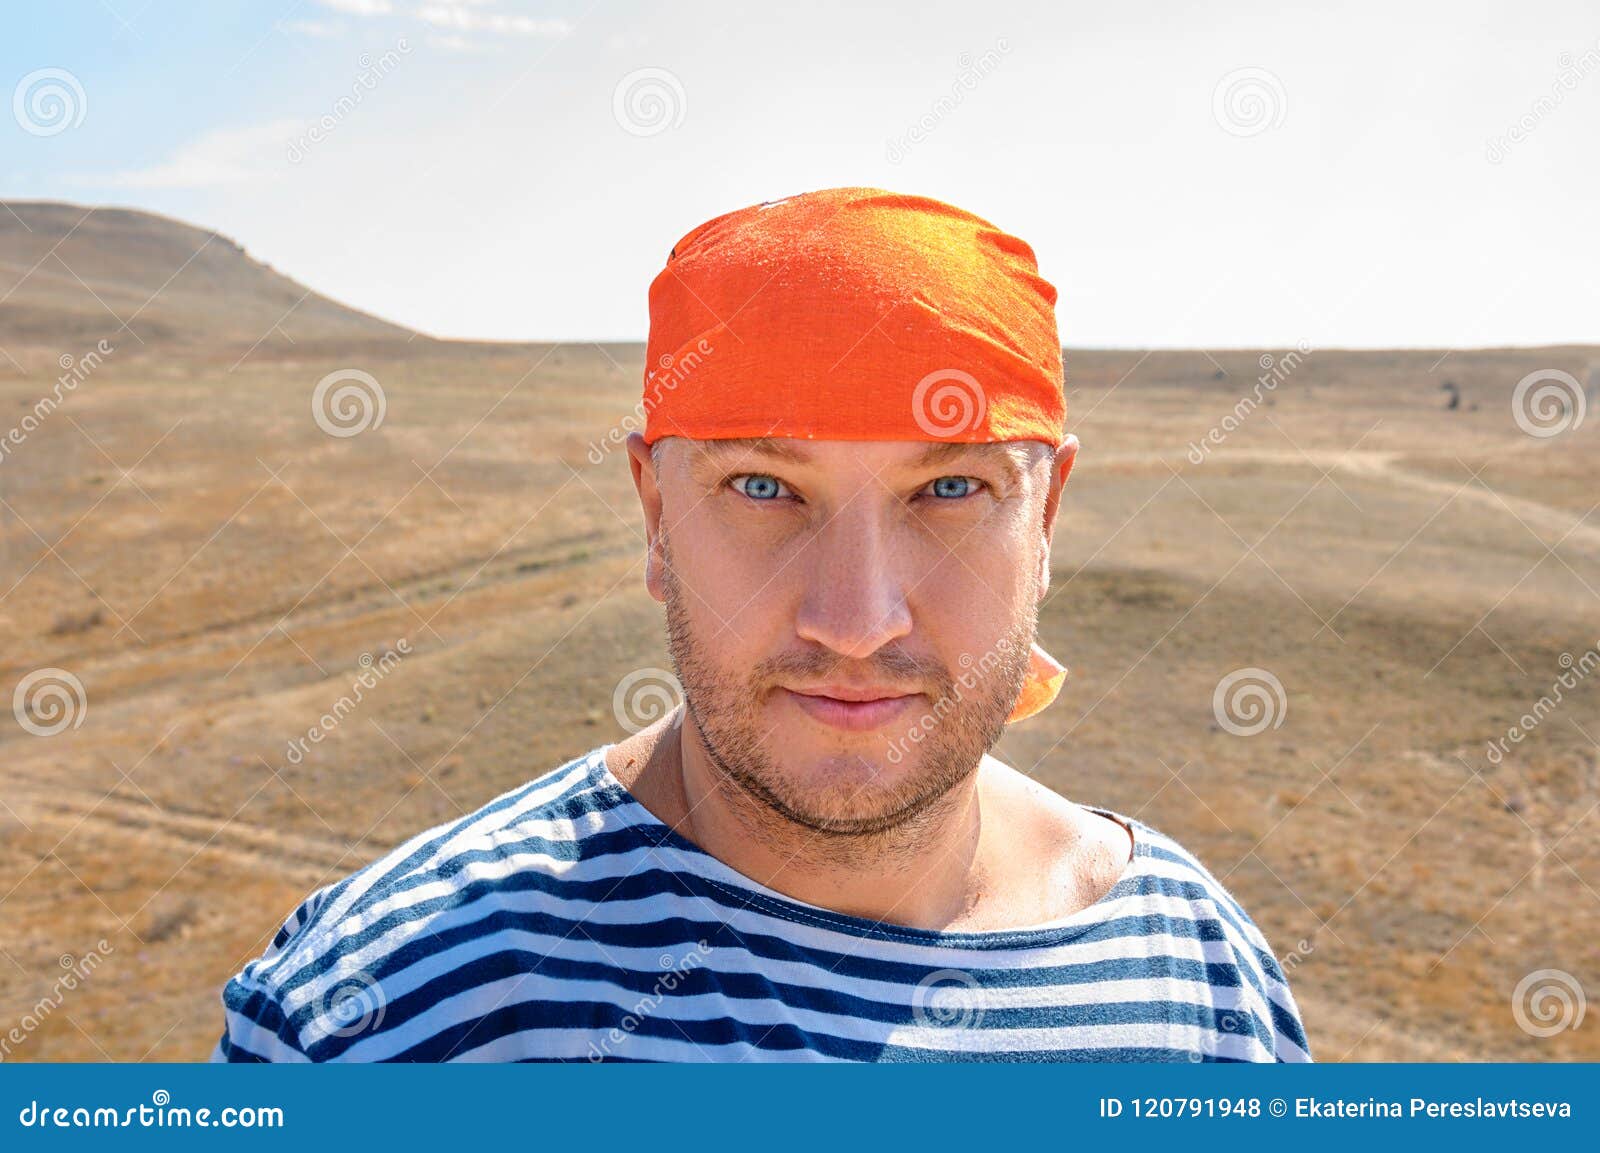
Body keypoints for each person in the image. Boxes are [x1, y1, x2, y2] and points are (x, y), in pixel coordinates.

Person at [213, 187, 1312, 1062]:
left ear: (1047, 520)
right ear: (654, 515)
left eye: (949, 492)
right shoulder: (388, 1014)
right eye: (759, 488)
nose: (855, 619)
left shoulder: (1191, 974)